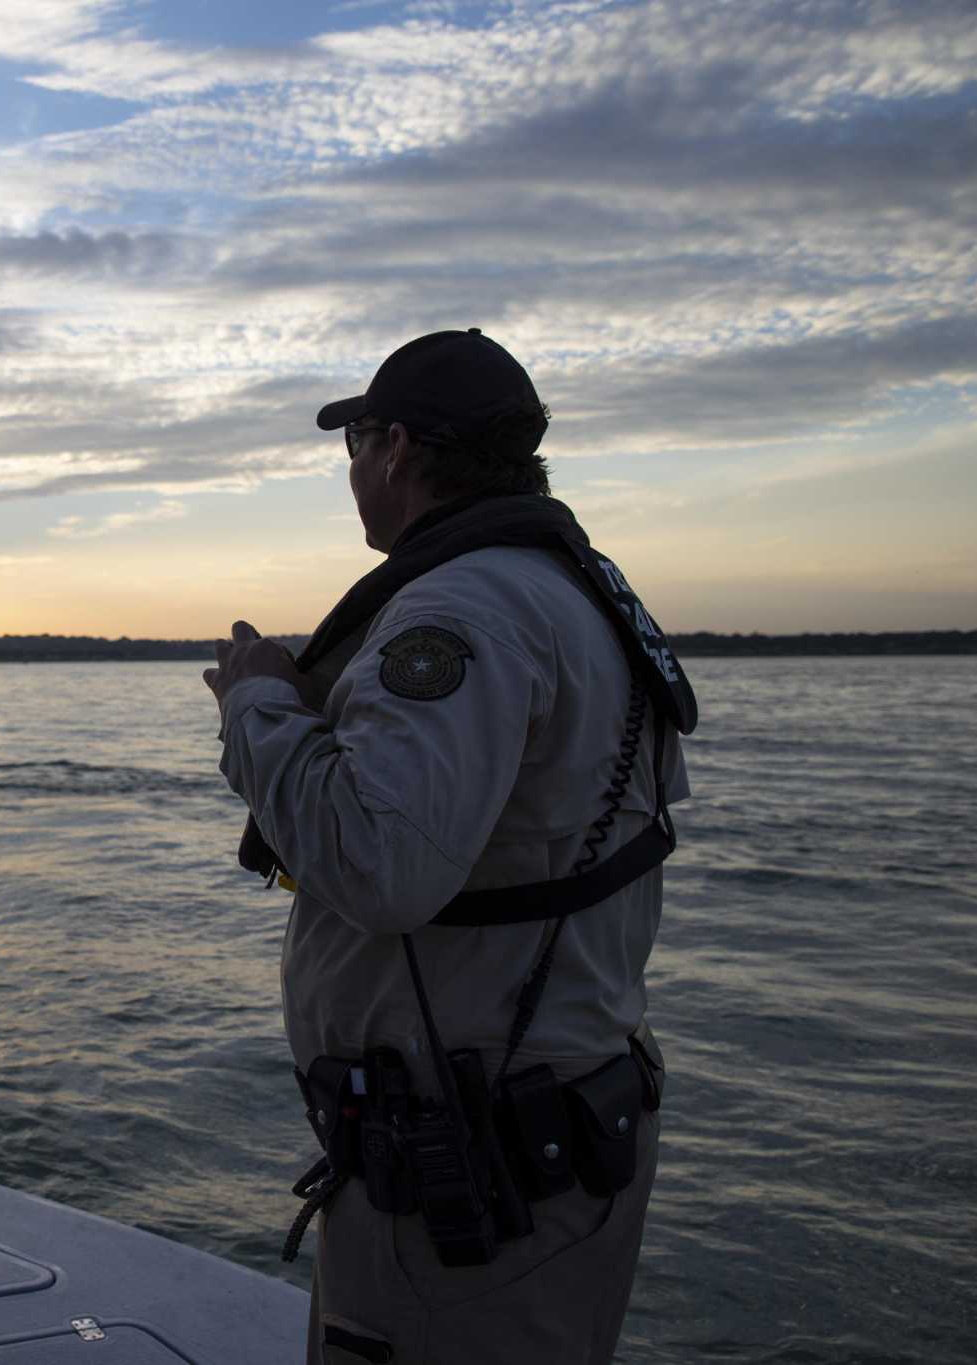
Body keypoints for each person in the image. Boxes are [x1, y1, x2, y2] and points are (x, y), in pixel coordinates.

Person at [203, 329, 696, 1365]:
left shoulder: (460, 608)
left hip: (466, 1162)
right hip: (542, 1132)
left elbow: (381, 864)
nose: (349, 478)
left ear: (399, 449)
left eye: (353, 449)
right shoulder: (568, 592)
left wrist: (256, 703)